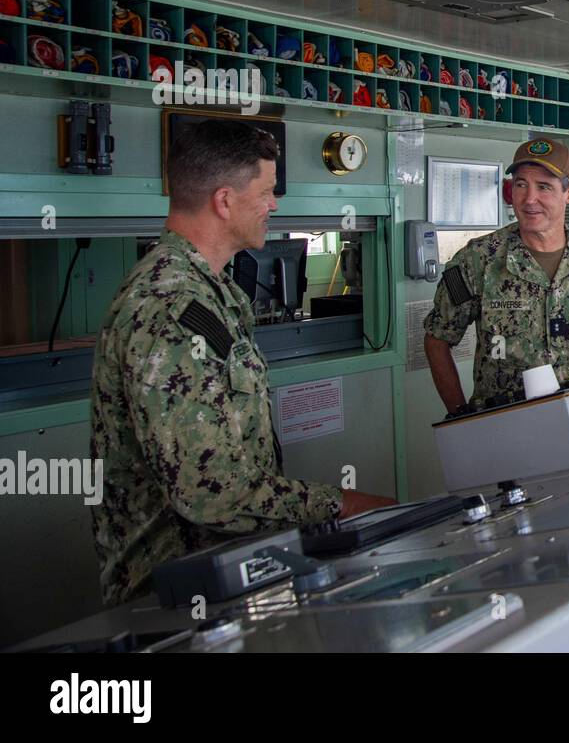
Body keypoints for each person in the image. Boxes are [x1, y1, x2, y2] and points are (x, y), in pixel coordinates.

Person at [90, 120, 393, 607]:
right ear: (224, 200)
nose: (274, 205)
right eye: (267, 191)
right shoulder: (168, 308)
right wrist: (343, 505)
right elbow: (210, 493)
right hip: (172, 598)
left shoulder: (215, 293)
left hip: (226, 576)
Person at [424, 136, 569, 411]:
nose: (529, 199)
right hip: (506, 426)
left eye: (544, 187)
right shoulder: (477, 260)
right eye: (521, 184)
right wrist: (459, 415)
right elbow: (437, 339)